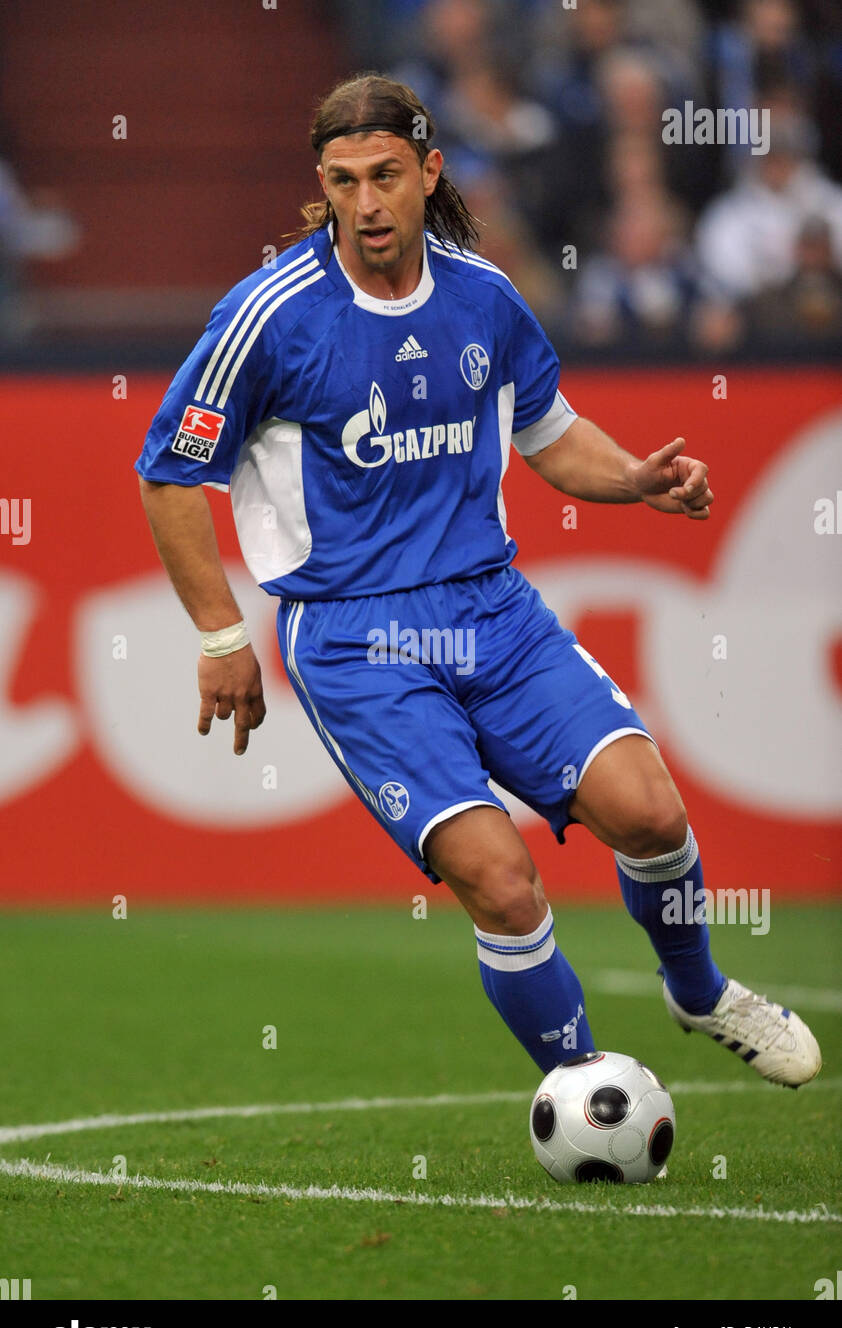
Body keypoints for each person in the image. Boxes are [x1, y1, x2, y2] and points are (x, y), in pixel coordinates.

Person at [135, 74, 820, 1091]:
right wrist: (221, 635)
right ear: (319, 187)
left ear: (427, 171)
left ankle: (698, 987)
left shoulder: (482, 297)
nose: (364, 204)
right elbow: (167, 471)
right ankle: (588, 1088)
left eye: (383, 176)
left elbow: (547, 434)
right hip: (358, 638)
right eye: (340, 182)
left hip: (492, 611)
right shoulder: (269, 316)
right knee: (499, 880)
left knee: (650, 814)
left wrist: (630, 478)